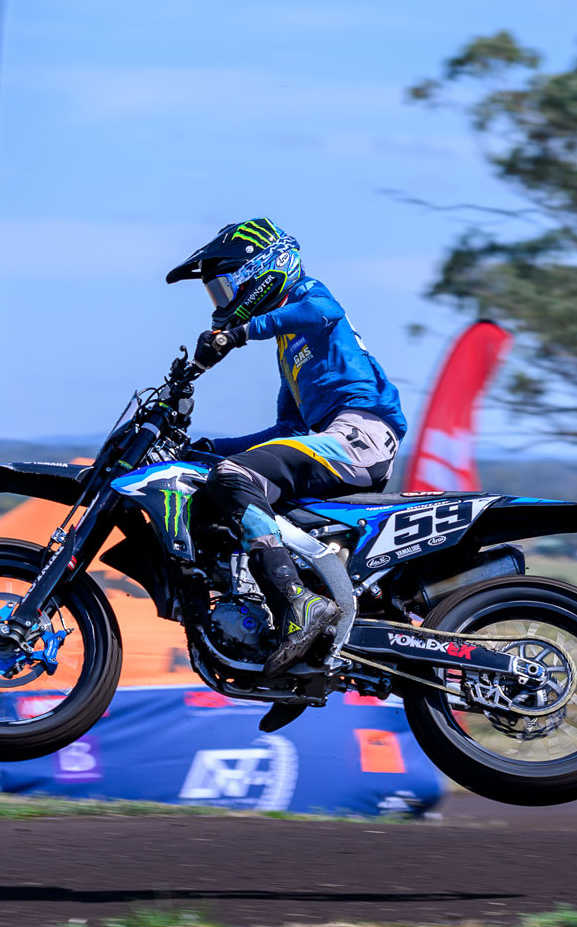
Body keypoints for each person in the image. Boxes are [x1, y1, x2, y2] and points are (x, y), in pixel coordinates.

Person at [167, 218, 408, 685]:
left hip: (360, 431)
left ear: (261, 269)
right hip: (334, 437)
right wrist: (208, 449)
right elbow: (287, 430)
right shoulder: (288, 348)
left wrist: (239, 333)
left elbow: (323, 312)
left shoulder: (311, 298)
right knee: (228, 480)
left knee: (236, 478)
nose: (222, 301)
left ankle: (300, 602)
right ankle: (301, 653)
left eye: (224, 286)